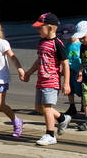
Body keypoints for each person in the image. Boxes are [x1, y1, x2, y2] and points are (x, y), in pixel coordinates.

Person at [19, 12, 70, 146]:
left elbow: (65, 63)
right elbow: (39, 60)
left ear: (51, 28)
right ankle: (62, 118)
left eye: (40, 27)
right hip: (41, 80)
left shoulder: (57, 43)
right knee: (39, 108)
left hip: (52, 79)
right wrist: (29, 73)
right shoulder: (42, 42)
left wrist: (66, 83)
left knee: (47, 108)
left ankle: (50, 134)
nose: (37, 30)